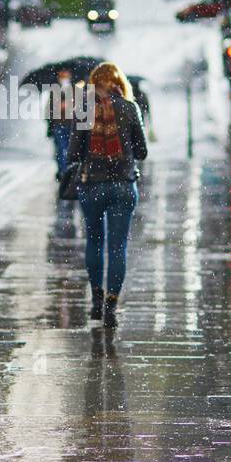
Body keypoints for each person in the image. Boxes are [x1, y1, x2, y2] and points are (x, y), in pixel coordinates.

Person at [66, 61, 148, 326]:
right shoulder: (129, 108)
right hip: (123, 184)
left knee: (94, 242)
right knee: (118, 246)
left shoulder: (84, 110)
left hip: (92, 184)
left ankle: (96, 299)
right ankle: (111, 305)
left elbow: (73, 153)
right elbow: (142, 151)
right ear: (118, 83)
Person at [46, 69, 75, 178]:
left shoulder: (74, 90)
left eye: (66, 76)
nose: (64, 79)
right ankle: (63, 173)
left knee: (69, 149)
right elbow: (49, 109)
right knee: (60, 149)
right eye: (62, 76)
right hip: (59, 124)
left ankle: (68, 172)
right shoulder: (54, 91)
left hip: (71, 124)